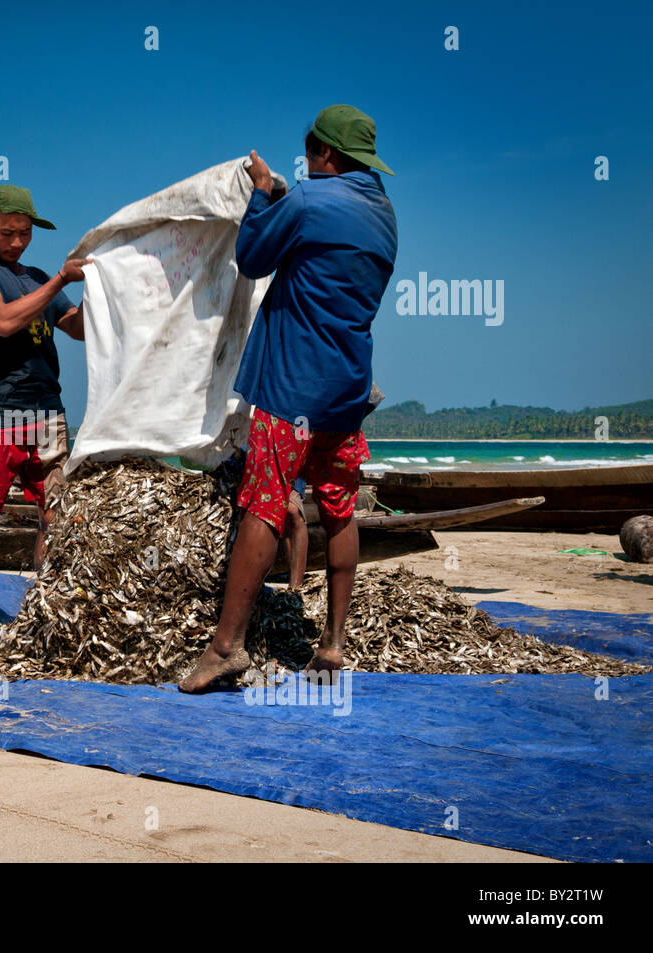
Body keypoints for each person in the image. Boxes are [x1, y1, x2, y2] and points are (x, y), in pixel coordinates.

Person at [181, 104, 398, 691]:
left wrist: (262, 194)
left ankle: (225, 647)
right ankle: (332, 646)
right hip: (348, 391)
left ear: (324, 154)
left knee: (263, 505)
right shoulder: (384, 216)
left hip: (292, 389)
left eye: (311, 154)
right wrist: (281, 192)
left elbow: (252, 258)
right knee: (339, 507)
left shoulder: (307, 200)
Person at [0, 185, 88, 660]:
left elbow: (80, 329)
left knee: (54, 517)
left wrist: (111, 289)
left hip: (49, 411)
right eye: (7, 233)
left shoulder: (37, 276)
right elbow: (4, 322)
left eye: (25, 234)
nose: (17, 243)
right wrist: (58, 283)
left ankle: (42, 619)